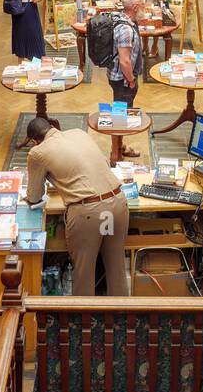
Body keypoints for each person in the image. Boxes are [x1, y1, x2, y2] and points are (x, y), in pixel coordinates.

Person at [24, 117, 128, 296]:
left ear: (34, 141)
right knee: (116, 267)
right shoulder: (78, 133)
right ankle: (121, 319)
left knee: (84, 272)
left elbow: (34, 197)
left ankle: (86, 321)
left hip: (88, 214)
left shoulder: (37, 152)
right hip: (117, 204)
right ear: (53, 127)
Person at [107, 0, 145, 156]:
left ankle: (120, 146)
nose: (145, 8)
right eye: (143, 5)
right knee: (120, 116)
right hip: (123, 80)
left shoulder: (122, 19)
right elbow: (125, 61)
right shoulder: (125, 30)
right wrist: (130, 81)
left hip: (120, 78)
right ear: (135, 7)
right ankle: (115, 153)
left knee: (120, 113)